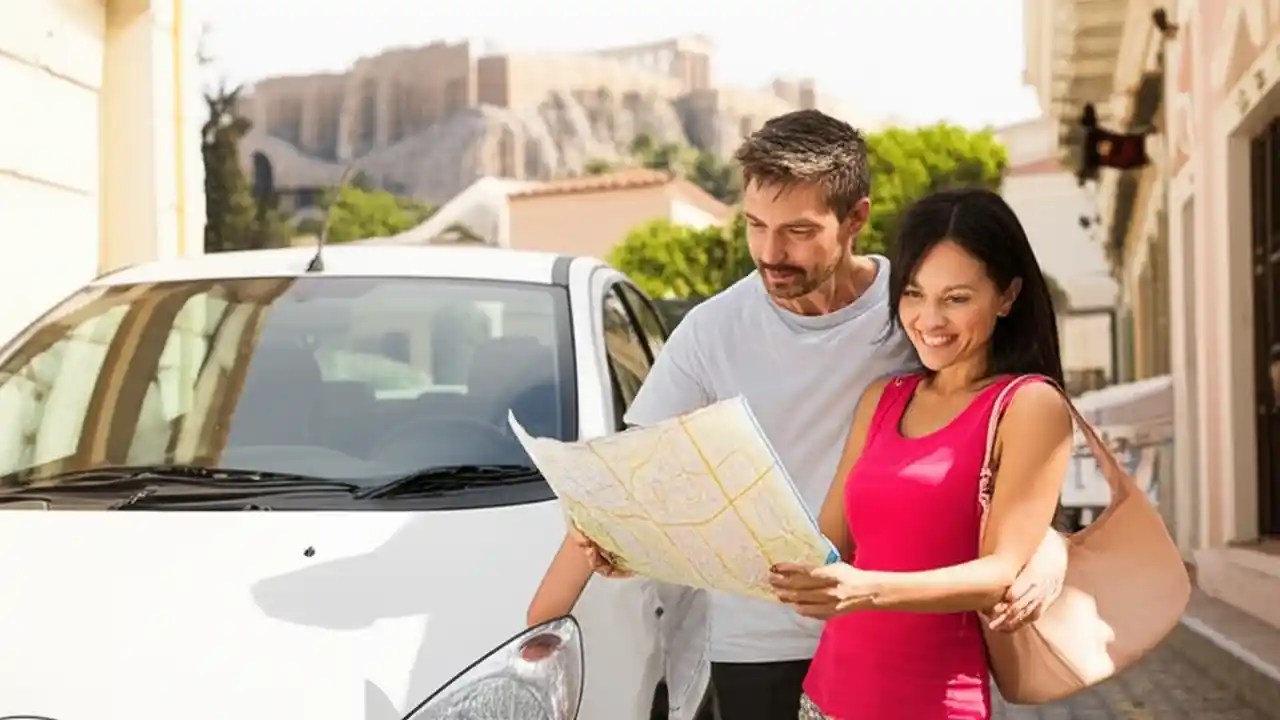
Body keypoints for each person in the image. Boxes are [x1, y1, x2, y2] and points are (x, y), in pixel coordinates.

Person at [528, 110, 1064, 720]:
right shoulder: (714, 330)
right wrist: (567, 590)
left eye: (799, 231)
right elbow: (633, 473)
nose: (770, 252)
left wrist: (1046, 547)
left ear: (855, 218)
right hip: (758, 643)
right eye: (756, 226)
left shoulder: (915, 313)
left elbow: (1014, 446)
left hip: (903, 637)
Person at [769, 187, 1073, 720]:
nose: (929, 319)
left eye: (956, 298)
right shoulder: (882, 399)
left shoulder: (1028, 406)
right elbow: (825, 543)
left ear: (1007, 296)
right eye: (913, 293)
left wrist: (867, 590)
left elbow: (1000, 573)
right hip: (824, 699)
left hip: (934, 705)